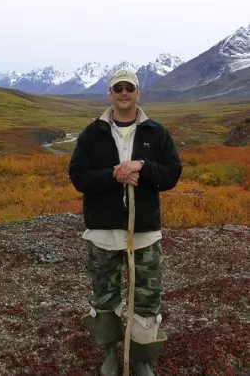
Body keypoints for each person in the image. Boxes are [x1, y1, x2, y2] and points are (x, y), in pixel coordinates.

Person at [69, 68, 182, 376]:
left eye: (128, 88)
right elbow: (78, 176)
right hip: (103, 234)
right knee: (104, 296)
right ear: (110, 93)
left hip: (144, 233)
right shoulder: (92, 133)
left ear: (137, 92)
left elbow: (172, 173)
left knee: (147, 298)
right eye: (117, 88)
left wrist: (142, 167)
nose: (123, 93)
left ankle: (142, 358)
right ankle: (109, 352)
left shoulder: (156, 132)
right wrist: (113, 174)